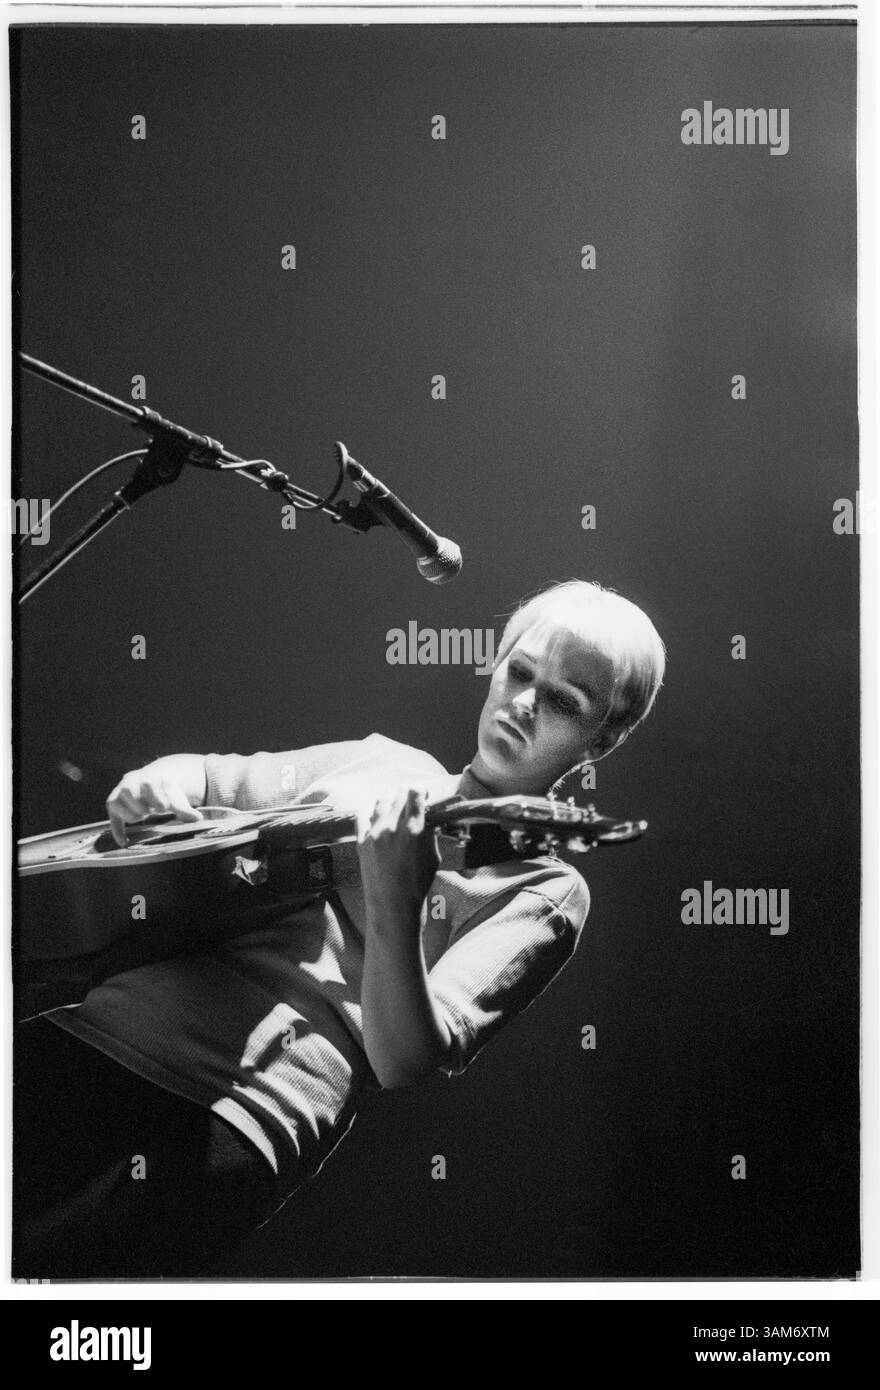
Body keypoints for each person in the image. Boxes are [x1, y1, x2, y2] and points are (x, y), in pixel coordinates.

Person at [13, 579, 665, 1278]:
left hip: (235, 1116)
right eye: (520, 670)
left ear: (603, 741)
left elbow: (405, 1059)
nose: (525, 702)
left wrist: (395, 903)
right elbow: (205, 776)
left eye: (565, 701)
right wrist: (156, 782)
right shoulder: (385, 762)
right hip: (86, 1030)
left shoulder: (544, 886)